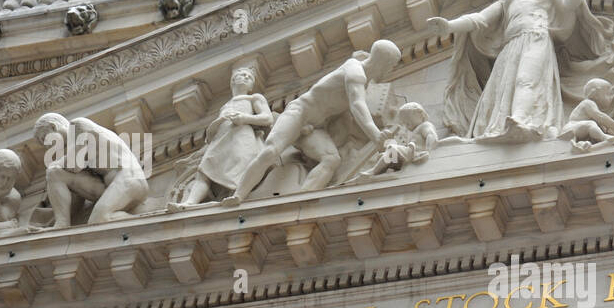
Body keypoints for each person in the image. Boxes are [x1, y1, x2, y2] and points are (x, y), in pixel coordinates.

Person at [430, 0, 614, 143]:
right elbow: (479, 19)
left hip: (537, 38)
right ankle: (500, 124)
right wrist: (449, 26)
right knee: (504, 87)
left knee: (526, 79)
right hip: (511, 45)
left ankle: (521, 119)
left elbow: (569, 5)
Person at [223, 40, 400, 205]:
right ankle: (238, 195)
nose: (390, 71)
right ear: (382, 62)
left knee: (331, 159)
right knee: (271, 151)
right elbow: (357, 105)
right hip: (299, 114)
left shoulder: (363, 79)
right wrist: (377, 136)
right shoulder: (356, 72)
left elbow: (349, 115)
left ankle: (301, 201)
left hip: (315, 127)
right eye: (391, 65)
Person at [168, 68, 274, 210]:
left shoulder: (254, 98)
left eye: (249, 77)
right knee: (203, 172)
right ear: (233, 81)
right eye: (242, 75)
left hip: (241, 137)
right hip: (220, 140)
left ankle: (236, 198)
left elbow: (267, 118)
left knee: (238, 169)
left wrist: (244, 118)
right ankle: (190, 203)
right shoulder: (226, 105)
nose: (246, 77)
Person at [35, 113, 150, 228]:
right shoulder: (73, 147)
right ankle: (62, 223)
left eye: (45, 139)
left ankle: (146, 221)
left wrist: (55, 164)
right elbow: (75, 193)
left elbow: (74, 164)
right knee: (55, 174)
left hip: (130, 180)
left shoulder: (77, 125)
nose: (48, 147)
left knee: (98, 220)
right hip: (109, 187)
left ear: (54, 127)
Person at [558, 79, 614, 151]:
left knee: (593, 126)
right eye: (608, 94)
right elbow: (600, 116)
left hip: (580, 131)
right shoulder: (588, 103)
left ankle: (586, 145)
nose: (611, 98)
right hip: (571, 128)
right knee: (590, 124)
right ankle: (604, 138)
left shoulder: (593, 115)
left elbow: (603, 126)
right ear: (595, 94)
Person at [364, 102, 439, 176]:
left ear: (420, 115)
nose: (407, 125)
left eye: (409, 122)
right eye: (405, 123)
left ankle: (373, 172)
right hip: (410, 154)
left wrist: (429, 151)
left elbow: (431, 135)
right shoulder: (412, 132)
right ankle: (389, 169)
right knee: (383, 155)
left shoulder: (424, 125)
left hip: (416, 154)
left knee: (392, 149)